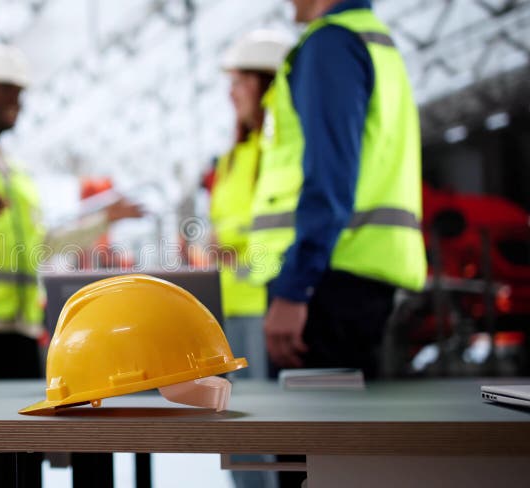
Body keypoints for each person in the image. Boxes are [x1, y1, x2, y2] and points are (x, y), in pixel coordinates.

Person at [0, 44, 141, 487]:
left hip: (19, 333)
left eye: (19, 92)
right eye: (6, 91)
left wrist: (103, 220)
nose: (17, 101)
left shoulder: (16, 174)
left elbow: (40, 247)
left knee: (22, 460)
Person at [247, 0, 427, 485]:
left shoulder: (329, 44)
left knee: (311, 463)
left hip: (325, 287)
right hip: (351, 280)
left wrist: (295, 288)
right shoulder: (375, 41)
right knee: (341, 463)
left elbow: (329, 176)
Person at [212, 29, 291, 381]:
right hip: (226, 304)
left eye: (241, 82)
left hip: (265, 302)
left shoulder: (278, 152)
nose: (231, 93)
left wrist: (228, 239)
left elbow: (276, 220)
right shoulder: (230, 160)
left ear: (269, 85)